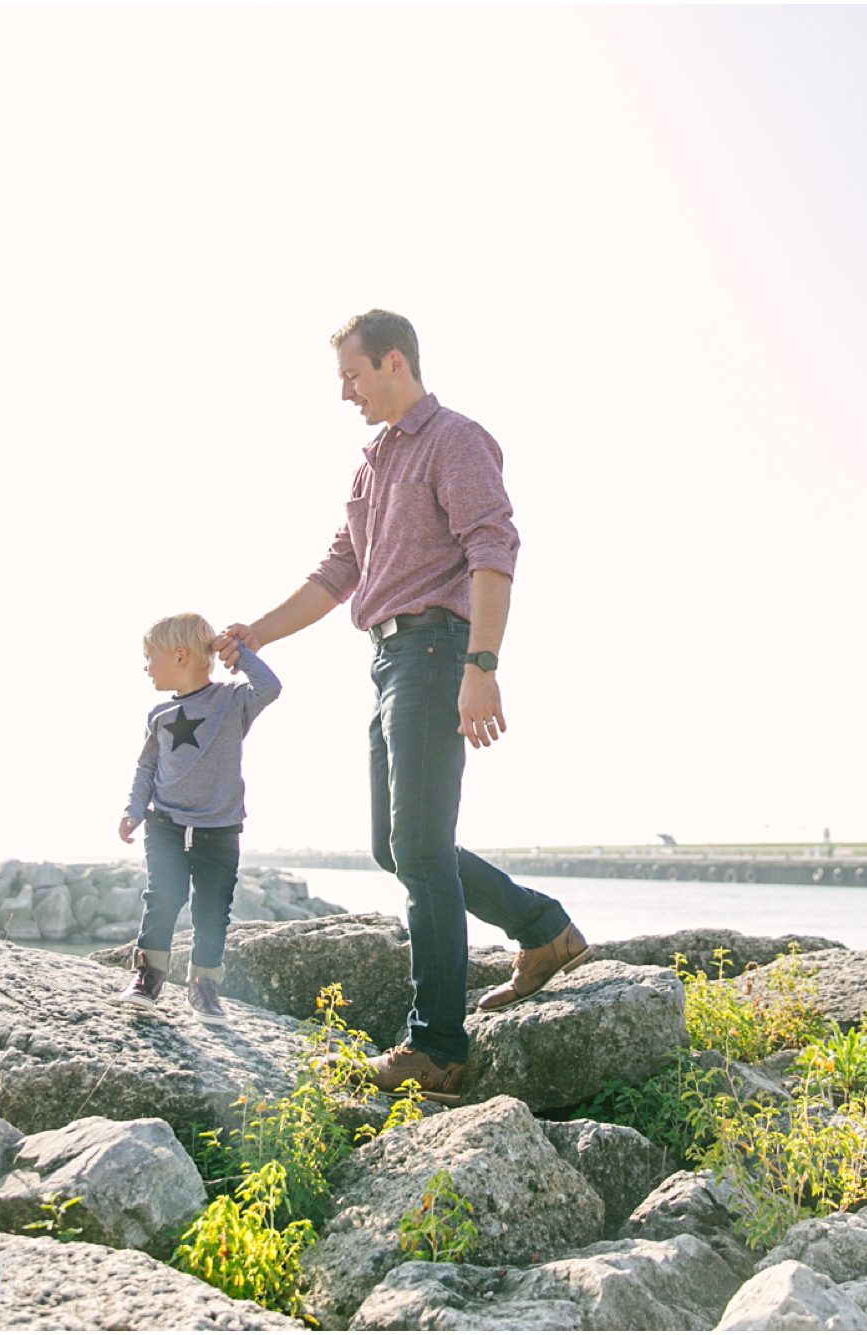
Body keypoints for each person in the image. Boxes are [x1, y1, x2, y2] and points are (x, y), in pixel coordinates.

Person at [214, 309, 589, 1103]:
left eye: (352, 376)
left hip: (433, 652)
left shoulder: (454, 438)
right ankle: (544, 929)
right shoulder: (371, 467)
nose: (346, 393)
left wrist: (482, 665)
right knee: (400, 849)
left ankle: (438, 1049)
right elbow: (337, 570)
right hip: (388, 659)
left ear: (393, 362)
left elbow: (494, 546)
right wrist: (260, 631)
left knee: (418, 848)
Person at [117, 611, 281, 1025]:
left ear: (179, 655)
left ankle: (204, 987)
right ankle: (148, 976)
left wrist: (236, 652)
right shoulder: (158, 714)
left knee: (212, 910)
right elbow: (146, 769)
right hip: (166, 824)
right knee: (162, 899)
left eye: (149, 657)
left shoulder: (231, 701)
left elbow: (271, 687)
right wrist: (133, 810)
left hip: (219, 829)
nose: (145, 667)